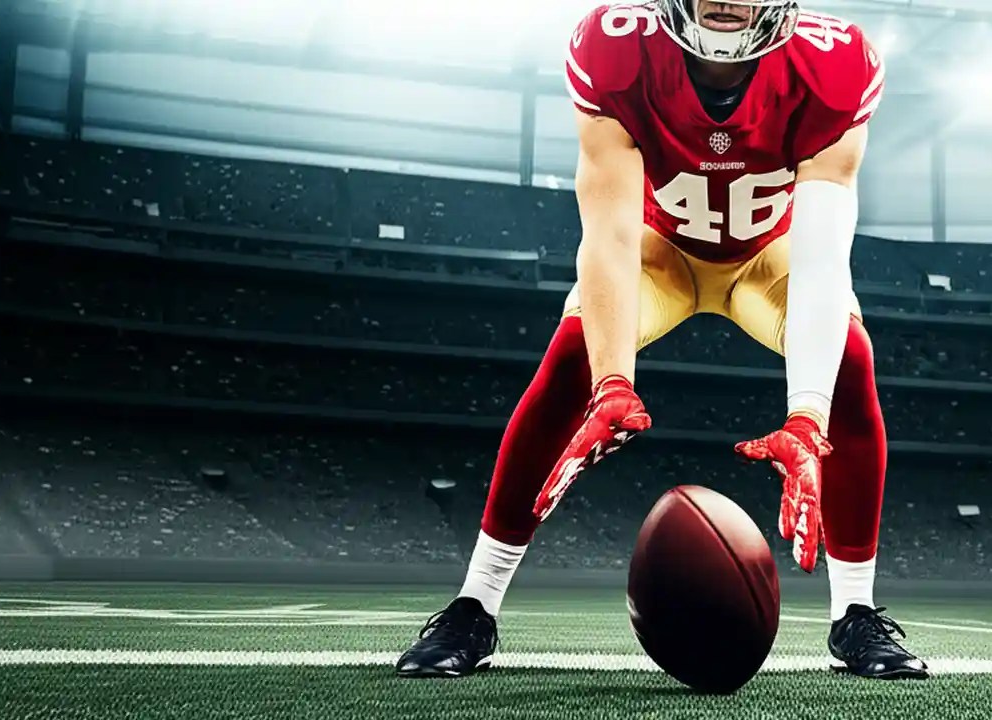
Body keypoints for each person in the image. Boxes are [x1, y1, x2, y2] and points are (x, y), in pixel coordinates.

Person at [397, 0, 926, 680]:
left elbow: (824, 254)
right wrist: (612, 381)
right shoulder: (614, 47)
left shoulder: (835, 63)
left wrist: (807, 416)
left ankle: (855, 615)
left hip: (770, 256)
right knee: (571, 362)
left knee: (849, 365)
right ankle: (475, 605)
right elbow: (609, 231)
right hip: (659, 250)